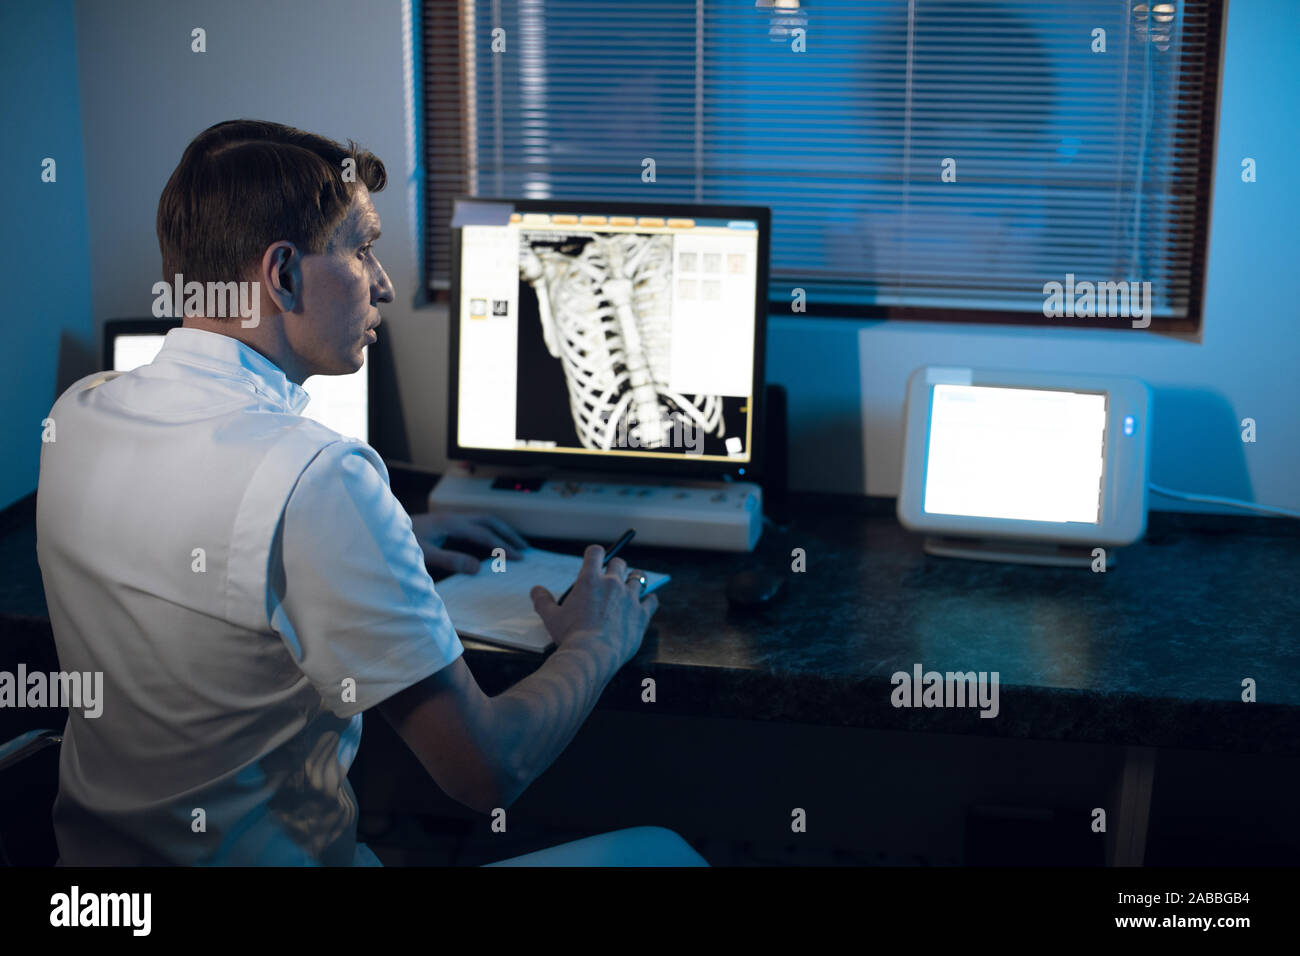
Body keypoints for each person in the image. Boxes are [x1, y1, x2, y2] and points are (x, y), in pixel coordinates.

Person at [35, 119, 658, 865]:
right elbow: (487, 770)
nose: (385, 282)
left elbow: (209, 553)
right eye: (362, 249)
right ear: (284, 275)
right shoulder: (320, 480)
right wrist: (595, 641)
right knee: (662, 846)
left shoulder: (78, 413)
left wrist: (373, 541)